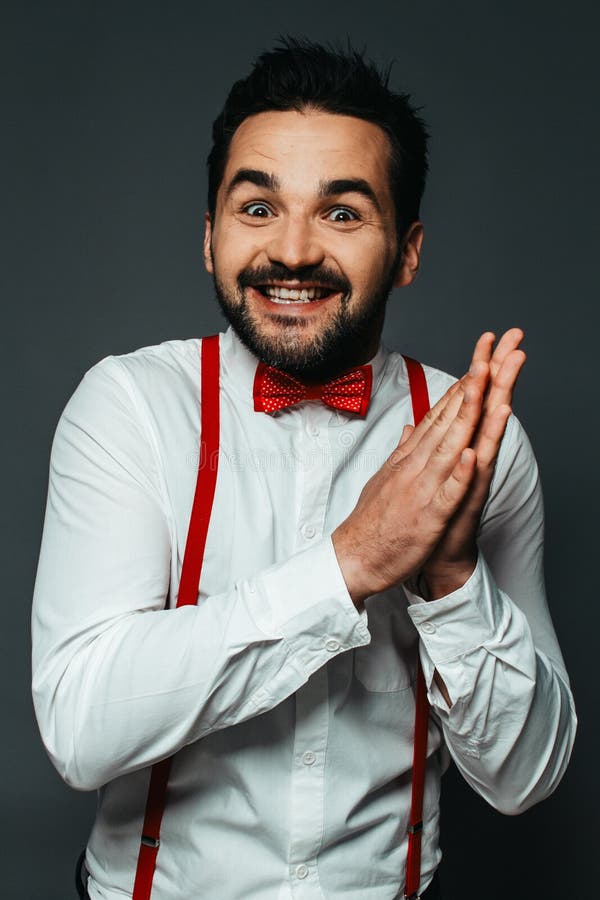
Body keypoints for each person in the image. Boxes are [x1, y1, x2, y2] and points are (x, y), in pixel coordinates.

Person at [32, 38, 576, 900]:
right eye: (257, 208)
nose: (292, 251)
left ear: (408, 249)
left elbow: (525, 778)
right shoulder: (128, 406)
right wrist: (351, 563)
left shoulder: (477, 437)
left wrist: (450, 577)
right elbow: (78, 728)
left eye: (343, 213)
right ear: (209, 238)